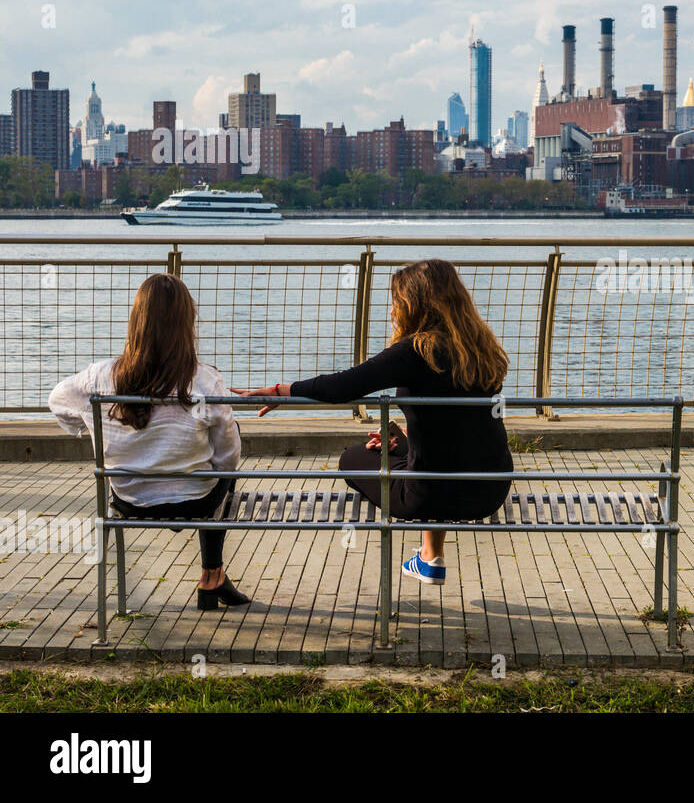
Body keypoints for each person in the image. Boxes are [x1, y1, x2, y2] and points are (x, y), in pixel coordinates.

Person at [243, 258, 513, 586]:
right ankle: (429, 557)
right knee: (420, 460)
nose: (391, 313)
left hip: (429, 495)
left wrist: (282, 391)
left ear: (416, 305)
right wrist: (405, 439)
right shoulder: (482, 350)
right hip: (491, 488)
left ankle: (428, 555)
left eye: (396, 303)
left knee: (351, 458)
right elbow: (460, 429)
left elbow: (344, 385)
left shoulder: (415, 351)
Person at [49, 273, 249, 611]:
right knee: (224, 464)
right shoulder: (203, 379)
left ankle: (213, 577)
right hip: (197, 500)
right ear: (187, 322)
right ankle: (212, 574)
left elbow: (57, 402)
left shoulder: (99, 377)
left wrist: (89, 424)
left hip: (130, 499)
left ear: (136, 320)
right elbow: (228, 458)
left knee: (217, 465)